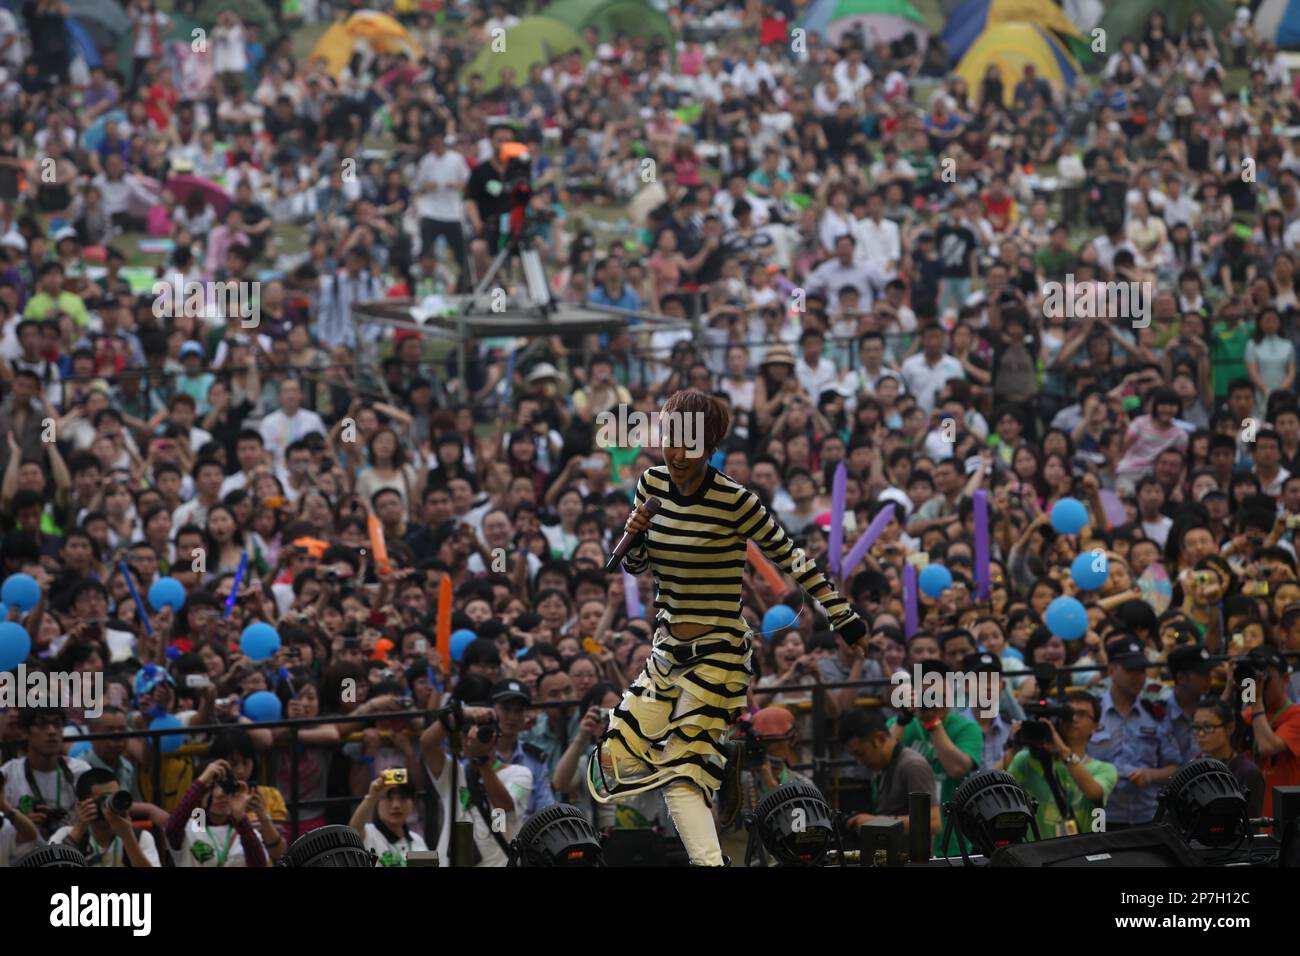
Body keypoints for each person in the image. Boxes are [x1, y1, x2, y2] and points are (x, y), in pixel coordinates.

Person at [588, 389, 866, 866]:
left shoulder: (735, 501)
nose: (675, 454)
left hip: (719, 656)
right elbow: (636, 565)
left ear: (710, 446)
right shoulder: (650, 485)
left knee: (681, 778)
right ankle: (728, 760)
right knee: (616, 760)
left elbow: (790, 556)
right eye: (669, 441)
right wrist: (634, 533)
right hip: (667, 652)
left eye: (687, 444)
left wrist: (841, 614)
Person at [887, 659, 983, 855]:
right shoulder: (899, 724)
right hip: (902, 837)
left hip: (952, 838)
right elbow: (881, 761)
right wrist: (903, 718)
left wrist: (932, 723)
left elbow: (956, 769)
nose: (934, 700)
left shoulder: (966, 728)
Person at [1087, 637, 1181, 828]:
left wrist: (1150, 775)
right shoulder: (1091, 712)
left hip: (1147, 815)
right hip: (1101, 816)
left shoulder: (1156, 712)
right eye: (1130, 670)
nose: (1138, 676)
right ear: (1112, 670)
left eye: (1142, 670)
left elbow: (1175, 768)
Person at [1006, 691, 1118, 839]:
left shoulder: (1104, 769)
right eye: (1067, 713)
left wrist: (1063, 751)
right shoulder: (1027, 759)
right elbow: (996, 788)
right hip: (1033, 855)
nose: (1073, 718)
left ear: (1095, 726)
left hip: (1077, 855)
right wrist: (1013, 747)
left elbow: (1094, 792)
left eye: (1082, 714)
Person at [839, 707, 941, 835]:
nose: (859, 761)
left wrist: (877, 822)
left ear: (880, 738)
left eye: (860, 753)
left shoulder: (913, 765)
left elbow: (933, 822)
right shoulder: (883, 764)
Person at [1234, 646, 1300, 819]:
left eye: (1266, 678)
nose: (1259, 685)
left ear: (1285, 679)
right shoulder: (1250, 713)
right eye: (1256, 679)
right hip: (1253, 817)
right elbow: (1224, 734)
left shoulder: (1296, 715)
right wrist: (1232, 687)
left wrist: (1255, 701)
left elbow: (1266, 746)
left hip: (1285, 819)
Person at [49, 767, 160, 867]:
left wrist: (128, 836)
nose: (109, 805)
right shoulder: (65, 835)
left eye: (114, 797)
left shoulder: (139, 837)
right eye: (103, 799)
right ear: (80, 805)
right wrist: (78, 831)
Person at [1191, 697, 1265, 818]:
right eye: (1196, 727)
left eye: (1208, 727)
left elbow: (1252, 825)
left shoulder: (1248, 773)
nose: (1200, 734)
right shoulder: (1195, 767)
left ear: (1229, 728)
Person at [349, 771, 428, 867]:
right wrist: (371, 797)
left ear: (413, 801)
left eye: (402, 798)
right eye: (389, 798)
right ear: (377, 801)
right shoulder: (369, 834)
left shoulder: (417, 840)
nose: (396, 805)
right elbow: (352, 833)